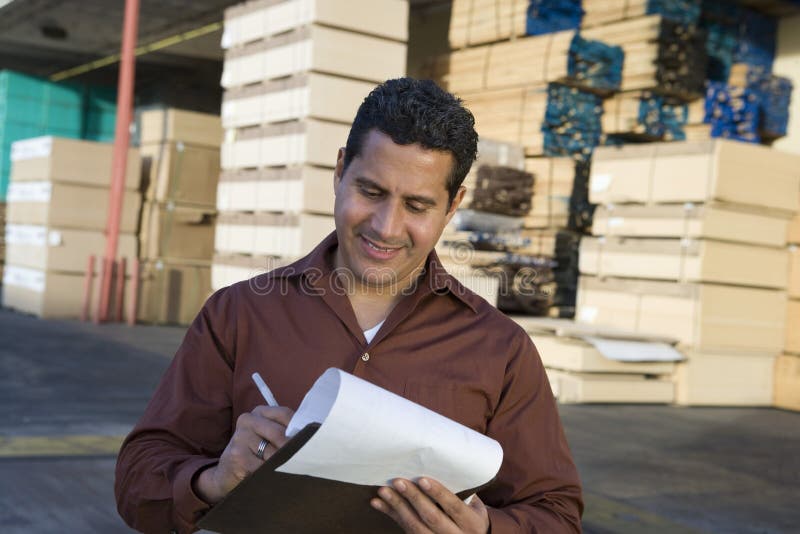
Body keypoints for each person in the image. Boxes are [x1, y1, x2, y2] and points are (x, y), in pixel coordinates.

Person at [115, 77, 583, 533]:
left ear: (453, 204)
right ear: (340, 171)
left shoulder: (501, 350)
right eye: (371, 192)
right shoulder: (238, 315)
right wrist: (213, 481)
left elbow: (557, 514)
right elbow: (138, 479)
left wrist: (483, 530)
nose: (386, 226)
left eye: (417, 206)